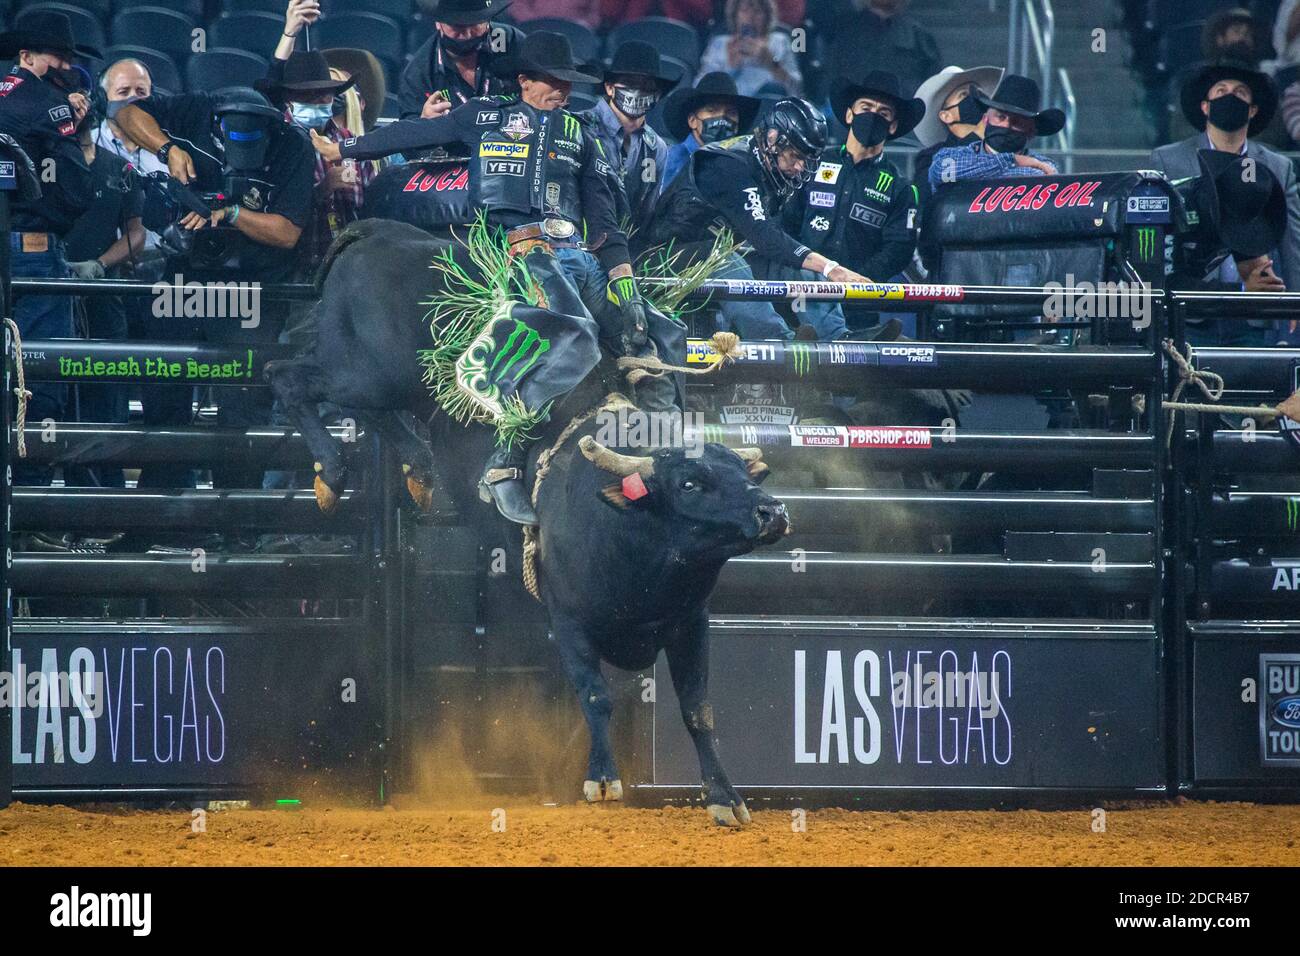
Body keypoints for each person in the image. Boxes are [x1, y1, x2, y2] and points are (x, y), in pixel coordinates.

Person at [314, 32, 686, 527]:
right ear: (525, 80)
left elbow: (603, 217)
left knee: (658, 330)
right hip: (510, 247)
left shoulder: (581, 133)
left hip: (578, 253)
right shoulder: (484, 115)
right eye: (553, 81)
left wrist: (623, 278)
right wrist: (348, 148)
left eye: (567, 82)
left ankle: (665, 450)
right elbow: (415, 136)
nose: (562, 90)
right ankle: (503, 463)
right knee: (568, 333)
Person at [112, 87, 315, 489]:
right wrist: (167, 148)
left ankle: (236, 522)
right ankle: (159, 512)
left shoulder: (293, 146)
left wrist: (231, 214)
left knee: (243, 407)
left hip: (252, 289)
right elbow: (124, 112)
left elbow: (288, 232)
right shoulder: (192, 106)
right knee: (165, 395)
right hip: (185, 279)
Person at [649, 97, 865, 341]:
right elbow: (765, 237)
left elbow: (777, 245)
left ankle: (838, 338)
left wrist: (817, 265)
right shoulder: (726, 162)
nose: (799, 167)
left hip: (715, 254)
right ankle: (779, 342)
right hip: (664, 257)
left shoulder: (770, 170)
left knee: (797, 266)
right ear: (773, 139)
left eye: (806, 160)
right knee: (726, 260)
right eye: (795, 155)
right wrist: (830, 266)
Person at [0, 11, 98, 484]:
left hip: (10, 243)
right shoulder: (53, 105)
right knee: (37, 378)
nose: (65, 64)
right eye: (58, 55)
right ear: (27, 56)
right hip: (32, 251)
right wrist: (77, 129)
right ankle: (32, 511)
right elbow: (77, 193)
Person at [1151, 60, 1299, 343]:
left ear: (1253, 110)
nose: (1230, 96)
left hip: (1254, 312)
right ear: (1205, 106)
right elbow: (1159, 242)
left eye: (1240, 93)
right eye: (1221, 91)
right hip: (1190, 310)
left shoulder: (1278, 167)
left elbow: (1292, 243)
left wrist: (1295, 302)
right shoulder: (1168, 160)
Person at [781, 70, 921, 333]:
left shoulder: (900, 187)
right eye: (866, 107)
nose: (872, 116)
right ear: (848, 114)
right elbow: (786, 220)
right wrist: (807, 266)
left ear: (892, 126)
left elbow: (900, 248)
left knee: (854, 368)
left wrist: (858, 280)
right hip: (800, 292)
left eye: (883, 113)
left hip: (858, 300)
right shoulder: (812, 164)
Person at [63, 84, 146, 491]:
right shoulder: (49, 161)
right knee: (58, 394)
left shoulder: (120, 169)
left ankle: (106, 499)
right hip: (54, 295)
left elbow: (136, 234)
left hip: (103, 294)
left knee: (107, 397)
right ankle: (52, 504)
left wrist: (99, 264)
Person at [257, 49, 373, 277]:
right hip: (291, 269)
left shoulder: (349, 142)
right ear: (289, 99)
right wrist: (322, 190)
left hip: (346, 268)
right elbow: (267, 212)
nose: (318, 100)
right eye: (307, 95)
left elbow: (370, 205)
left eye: (325, 94)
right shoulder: (276, 144)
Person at [1168, 149, 1288, 347]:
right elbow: (1164, 284)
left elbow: (1255, 270)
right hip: (1143, 309)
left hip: (1218, 315)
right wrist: (1241, 290)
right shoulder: (1174, 203)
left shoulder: (1243, 204)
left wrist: (1266, 283)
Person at [577, 41, 678, 240]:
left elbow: (648, 212)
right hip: (581, 242)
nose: (637, 91)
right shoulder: (579, 127)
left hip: (628, 247)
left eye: (646, 86)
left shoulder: (656, 146)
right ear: (609, 87)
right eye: (630, 83)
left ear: (657, 94)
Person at [926, 73, 1061, 194]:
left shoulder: (1043, 164)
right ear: (985, 119)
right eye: (1001, 117)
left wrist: (971, 172)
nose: (1006, 125)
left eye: (1017, 121)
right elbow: (940, 170)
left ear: (1031, 131)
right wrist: (1015, 160)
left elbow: (1036, 176)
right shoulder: (950, 155)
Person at [398, 0, 524, 121]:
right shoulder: (420, 72)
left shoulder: (509, 41)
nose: (467, 34)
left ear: (488, 20)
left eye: (476, 24)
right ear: (438, 23)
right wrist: (424, 122)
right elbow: (408, 133)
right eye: (457, 27)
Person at [911, 64, 1002, 224]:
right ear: (946, 116)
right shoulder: (931, 158)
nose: (974, 98)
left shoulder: (1002, 152)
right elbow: (927, 198)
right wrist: (975, 138)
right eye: (963, 94)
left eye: (976, 93)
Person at [810, 0, 940, 106]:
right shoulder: (844, 31)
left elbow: (932, 87)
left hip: (902, 121)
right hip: (850, 121)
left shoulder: (919, 37)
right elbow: (830, 78)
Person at [659, 72, 760, 194]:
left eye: (731, 113)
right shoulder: (670, 161)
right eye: (712, 110)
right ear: (692, 121)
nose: (722, 118)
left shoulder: (743, 167)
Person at [698, 0, 803, 97]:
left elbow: (797, 89)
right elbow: (699, 86)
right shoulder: (719, 43)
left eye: (757, 11)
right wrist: (730, 66)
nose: (750, 16)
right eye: (744, 10)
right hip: (732, 105)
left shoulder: (780, 41)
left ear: (767, 16)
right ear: (735, 15)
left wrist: (772, 65)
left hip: (769, 104)